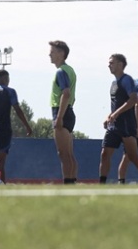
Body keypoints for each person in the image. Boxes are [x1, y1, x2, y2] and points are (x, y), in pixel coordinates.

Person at [98, 54, 138, 184]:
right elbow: (116, 104)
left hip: (126, 125)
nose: (109, 65)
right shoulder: (113, 83)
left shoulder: (127, 80)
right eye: (109, 62)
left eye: (112, 62)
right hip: (114, 126)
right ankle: (101, 185)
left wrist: (116, 114)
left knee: (133, 157)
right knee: (105, 154)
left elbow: (133, 99)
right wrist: (109, 116)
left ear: (120, 64)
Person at [0, 69, 32, 184]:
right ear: (6, 79)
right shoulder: (10, 92)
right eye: (7, 79)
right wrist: (27, 126)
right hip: (4, 130)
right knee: (0, 161)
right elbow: (17, 109)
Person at [48, 40, 78, 184]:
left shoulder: (61, 71)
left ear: (61, 54)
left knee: (63, 154)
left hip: (61, 112)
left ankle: (68, 184)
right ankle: (72, 182)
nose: (49, 54)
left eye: (52, 52)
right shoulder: (70, 70)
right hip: (69, 111)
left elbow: (65, 93)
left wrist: (59, 117)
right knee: (69, 155)